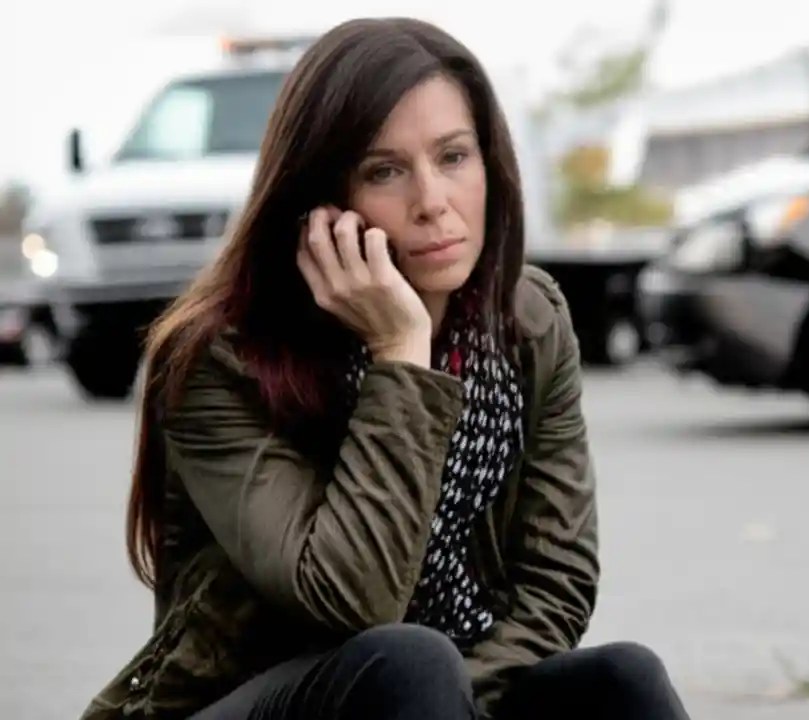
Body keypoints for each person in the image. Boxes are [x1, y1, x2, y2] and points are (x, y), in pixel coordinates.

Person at [79, 17, 689, 720]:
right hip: (260, 699)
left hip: (441, 695)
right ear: (320, 202)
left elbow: (556, 581)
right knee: (404, 659)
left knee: (623, 680)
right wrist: (401, 353)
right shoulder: (224, 360)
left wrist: (466, 706)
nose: (433, 202)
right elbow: (351, 601)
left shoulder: (526, 324)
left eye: (454, 157)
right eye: (385, 171)